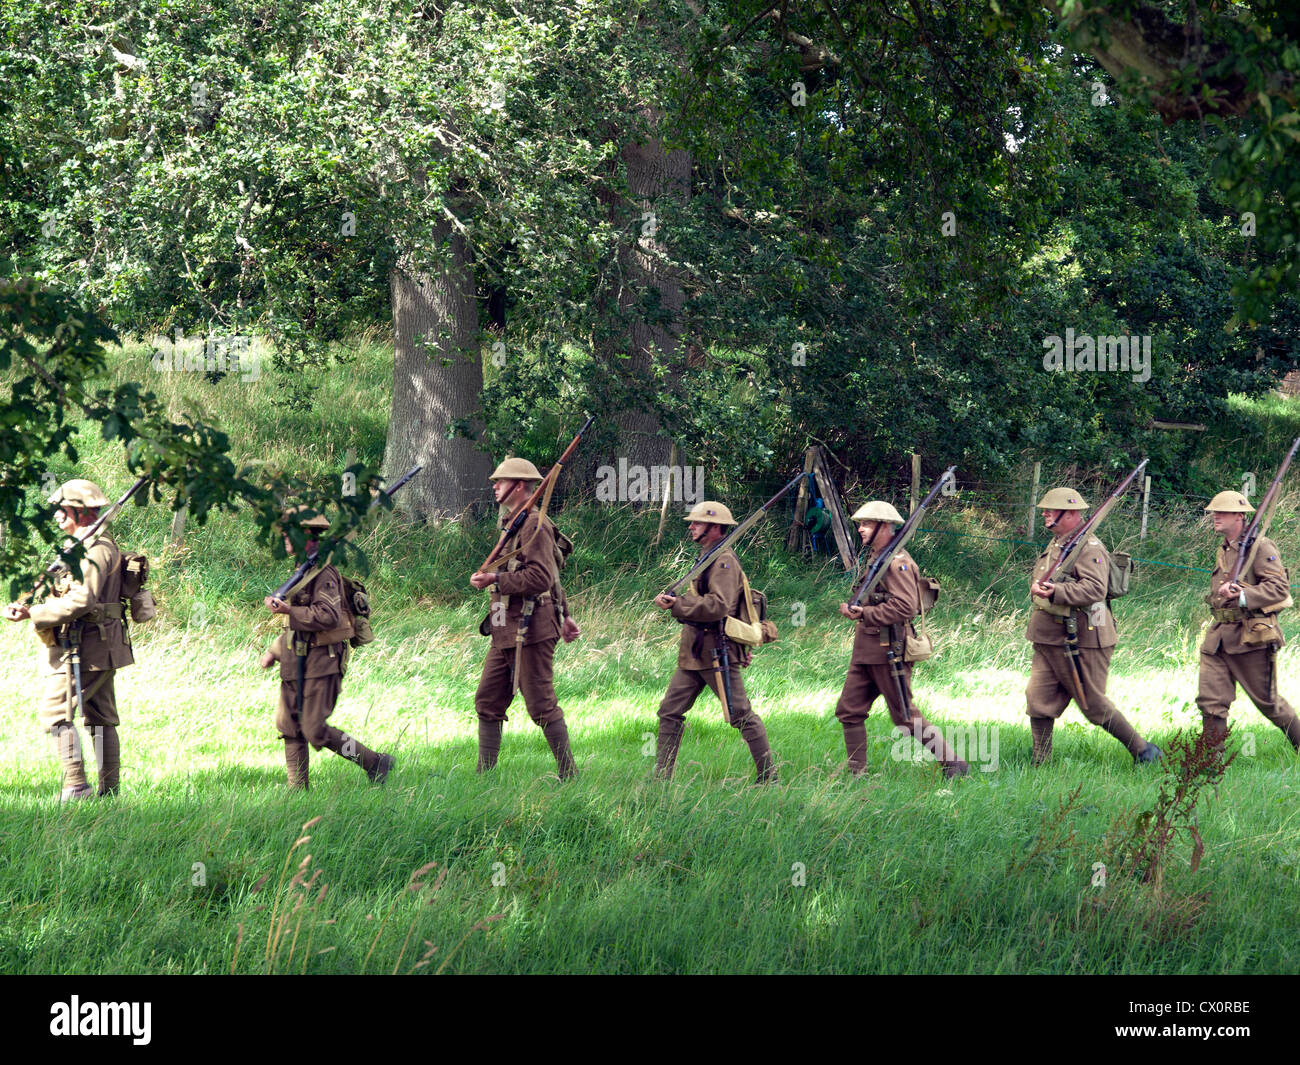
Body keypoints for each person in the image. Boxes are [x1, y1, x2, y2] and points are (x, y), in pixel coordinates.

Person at [3, 479, 134, 800]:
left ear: (80, 512)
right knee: (100, 719)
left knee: (54, 713)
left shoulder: (96, 551)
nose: (58, 516)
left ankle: (77, 786)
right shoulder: (83, 547)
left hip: (89, 646)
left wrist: (33, 613)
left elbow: (83, 602)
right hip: (93, 645)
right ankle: (109, 792)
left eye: (63, 510)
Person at [1026, 487, 1160, 766]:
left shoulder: (1090, 547)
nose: (1046, 514)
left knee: (1092, 704)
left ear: (1072, 514)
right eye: (1046, 510)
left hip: (1084, 637)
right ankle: (1040, 761)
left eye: (1051, 510)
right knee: (1037, 698)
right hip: (1050, 635)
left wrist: (1056, 592)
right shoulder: (1059, 543)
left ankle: (1143, 751)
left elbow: (1095, 589)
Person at [260, 508, 393, 788]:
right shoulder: (303, 568)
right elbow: (293, 622)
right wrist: (274, 650)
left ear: (307, 533)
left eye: (289, 530)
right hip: (295, 656)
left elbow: (328, 616)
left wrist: (287, 610)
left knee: (314, 729)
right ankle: (298, 790)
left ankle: (374, 762)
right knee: (289, 726)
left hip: (322, 661)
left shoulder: (324, 573)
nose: (284, 535)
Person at [834, 501, 969, 779]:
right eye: (861, 523)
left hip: (889, 649)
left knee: (905, 717)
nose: (860, 528)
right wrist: (855, 610)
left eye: (867, 524)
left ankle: (954, 764)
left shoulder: (898, 563)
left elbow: (906, 607)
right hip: (866, 649)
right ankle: (856, 773)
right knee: (849, 710)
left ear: (884, 527)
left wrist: (866, 613)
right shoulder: (876, 557)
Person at [651, 500, 777, 783]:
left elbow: (718, 606)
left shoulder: (723, 560)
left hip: (717, 652)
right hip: (694, 654)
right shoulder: (709, 555)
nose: (691, 527)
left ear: (715, 527)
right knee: (669, 712)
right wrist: (678, 603)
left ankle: (769, 777)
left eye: (697, 523)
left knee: (741, 715)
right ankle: (661, 779)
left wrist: (677, 605)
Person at [470, 458, 580, 779]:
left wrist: (495, 580)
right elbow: (552, 577)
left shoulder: (534, 524)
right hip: (506, 629)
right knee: (488, 700)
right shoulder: (513, 522)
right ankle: (484, 777)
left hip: (531, 629)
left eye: (500, 481)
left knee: (542, 706)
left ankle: (569, 774)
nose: (494, 486)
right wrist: (566, 615)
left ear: (519, 486)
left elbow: (542, 577)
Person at [1196, 489, 1300, 757]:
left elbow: (1279, 589)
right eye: (1214, 512)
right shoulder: (1227, 548)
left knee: (1269, 703)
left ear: (1239, 516)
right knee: (1211, 702)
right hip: (1218, 636)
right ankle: (1210, 765)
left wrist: (1242, 594)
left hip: (1250, 638)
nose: (1215, 517)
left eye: (1222, 512)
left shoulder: (1261, 546)